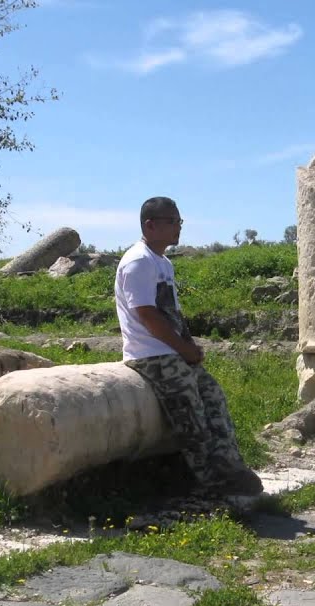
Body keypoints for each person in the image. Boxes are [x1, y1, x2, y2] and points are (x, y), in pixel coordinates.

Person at [114, 196, 263, 496]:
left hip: (171, 351)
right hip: (150, 355)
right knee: (190, 412)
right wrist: (183, 349)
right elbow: (147, 315)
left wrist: (190, 345)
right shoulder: (138, 261)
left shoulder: (163, 263)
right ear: (150, 225)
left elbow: (173, 313)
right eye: (172, 221)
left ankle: (230, 466)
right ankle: (210, 482)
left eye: (179, 221)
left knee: (213, 397)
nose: (178, 227)